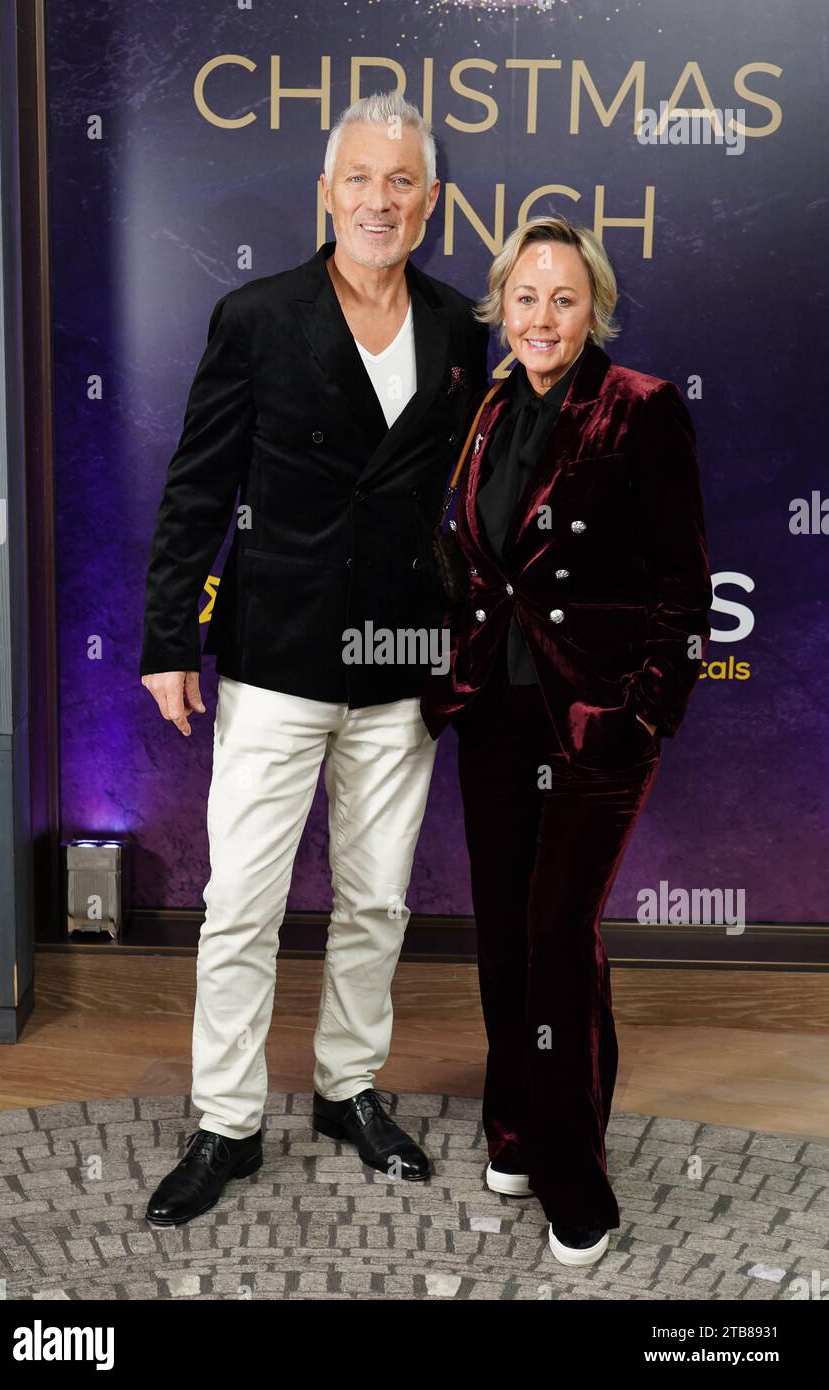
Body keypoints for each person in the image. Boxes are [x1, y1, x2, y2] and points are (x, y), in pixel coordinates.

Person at [139, 91, 489, 1225]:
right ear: (324, 194)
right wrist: (164, 641)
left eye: (401, 183)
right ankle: (226, 1122)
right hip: (277, 652)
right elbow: (198, 486)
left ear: (428, 205)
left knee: (377, 899)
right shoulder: (255, 314)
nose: (378, 200)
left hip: (397, 659)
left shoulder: (454, 327)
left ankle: (347, 1089)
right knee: (240, 901)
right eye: (359, 179)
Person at [421, 215, 712, 1268]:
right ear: (499, 306)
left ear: (594, 310)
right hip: (492, 714)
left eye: (564, 299)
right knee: (502, 934)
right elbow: (466, 560)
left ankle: (570, 1172)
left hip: (593, 722)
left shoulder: (637, 408)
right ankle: (511, 1123)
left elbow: (684, 587)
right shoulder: (485, 406)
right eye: (526, 298)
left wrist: (643, 708)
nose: (542, 318)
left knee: (556, 938)